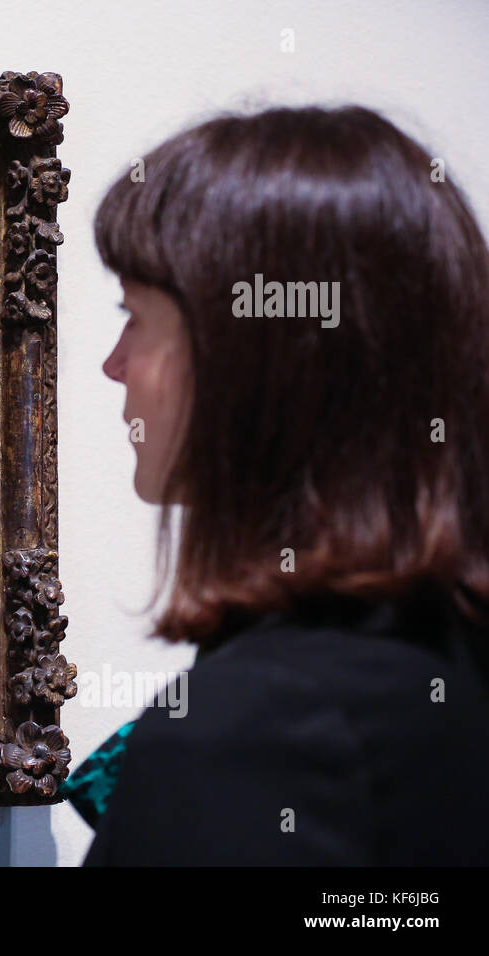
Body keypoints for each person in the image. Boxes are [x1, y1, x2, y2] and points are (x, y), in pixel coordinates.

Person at [70, 106, 489, 865]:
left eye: (134, 317)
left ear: (256, 364)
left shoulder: (264, 737)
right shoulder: (441, 658)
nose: (113, 364)